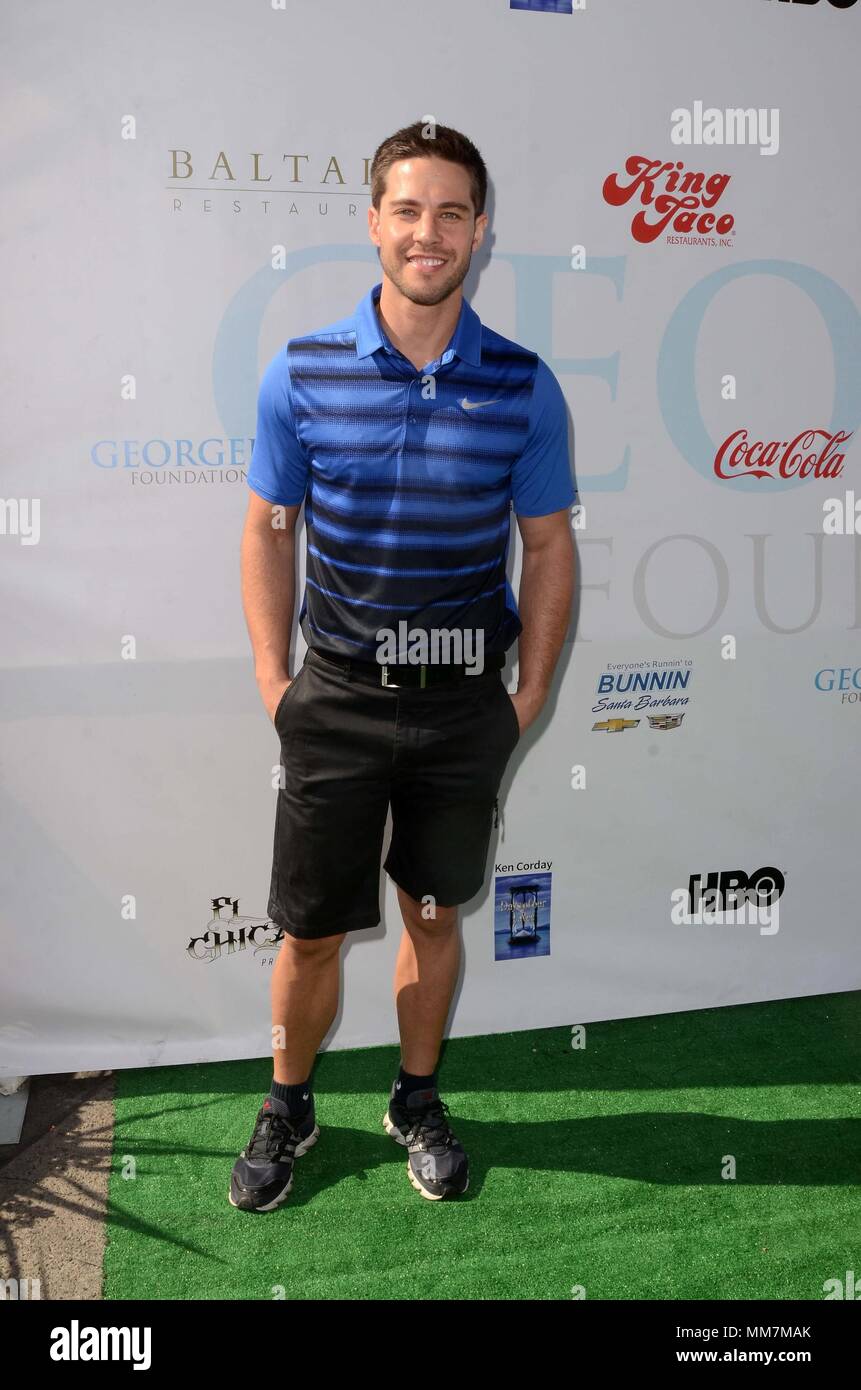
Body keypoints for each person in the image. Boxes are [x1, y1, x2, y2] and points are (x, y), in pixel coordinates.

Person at [231, 120, 576, 1211]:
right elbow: (268, 527)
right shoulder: (303, 370)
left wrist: (526, 698)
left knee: (434, 913)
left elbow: (550, 544)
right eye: (409, 209)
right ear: (375, 221)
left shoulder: (523, 384)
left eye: (454, 212)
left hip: (463, 704)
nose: (430, 233)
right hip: (331, 697)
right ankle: (288, 1100)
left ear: (481, 230)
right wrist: (271, 679)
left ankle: (415, 1096)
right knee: (311, 928)